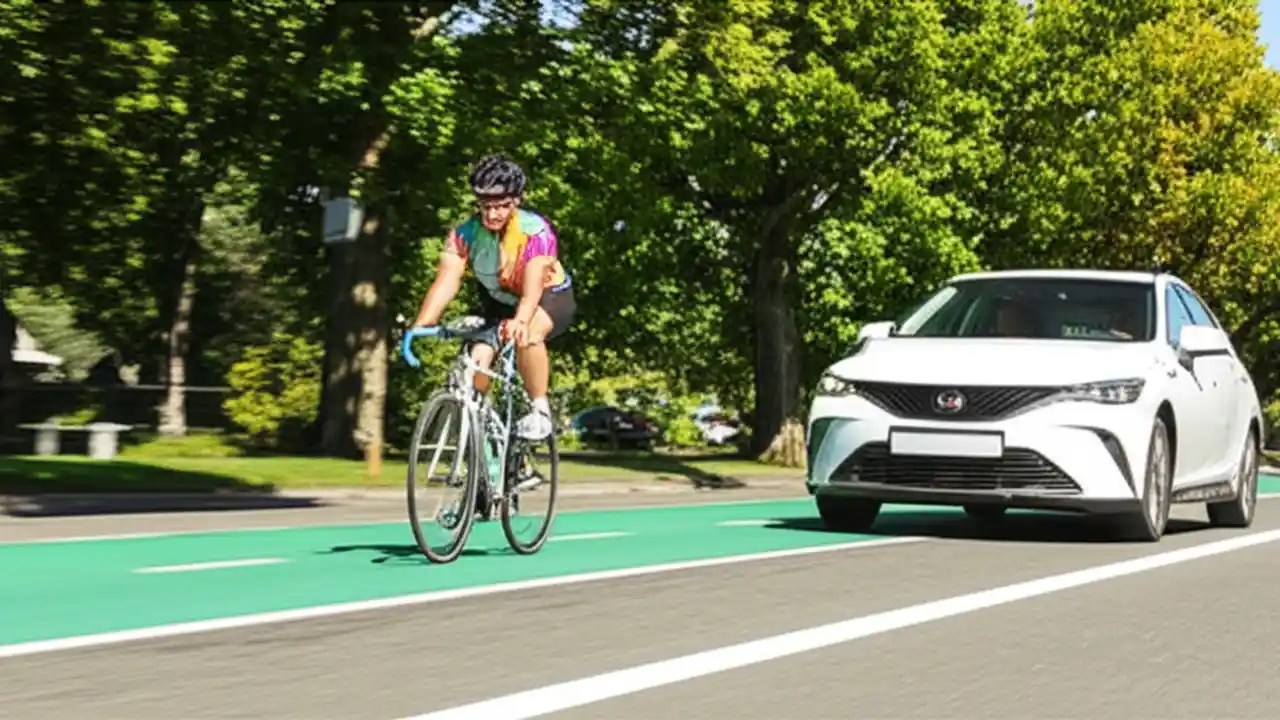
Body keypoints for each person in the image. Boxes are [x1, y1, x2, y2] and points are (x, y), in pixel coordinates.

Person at [402, 154, 576, 442]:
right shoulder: (464, 234)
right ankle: (483, 435)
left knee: (528, 334)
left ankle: (540, 410)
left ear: (516, 202)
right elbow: (447, 280)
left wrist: (521, 320)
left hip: (547, 297)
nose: (493, 214)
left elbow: (533, 285)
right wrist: (422, 323)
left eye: (501, 206)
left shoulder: (536, 232)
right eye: (486, 206)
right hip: (500, 301)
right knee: (477, 360)